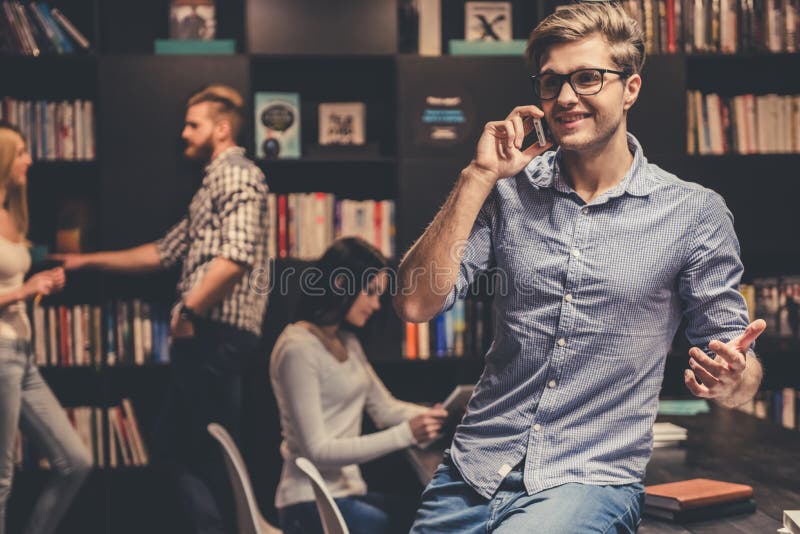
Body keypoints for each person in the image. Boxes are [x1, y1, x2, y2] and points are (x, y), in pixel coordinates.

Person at [393, 4, 765, 532]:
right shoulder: (508, 192)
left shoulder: (694, 213)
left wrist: (732, 377)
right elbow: (413, 302)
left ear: (630, 88)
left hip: (588, 481)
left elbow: (738, 367)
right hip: (472, 472)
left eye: (588, 78)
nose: (566, 97)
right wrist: (479, 175)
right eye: (552, 82)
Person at [51, 85, 270, 534]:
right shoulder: (213, 184)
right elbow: (162, 252)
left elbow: (236, 256)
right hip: (209, 338)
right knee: (199, 453)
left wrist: (188, 311)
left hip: (215, 337)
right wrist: (86, 261)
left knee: (196, 453)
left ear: (222, 129)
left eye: (194, 124)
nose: (184, 133)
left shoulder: (235, 175)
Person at [270, 237, 448, 534]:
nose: (376, 304)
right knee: (419, 524)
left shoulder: (348, 343)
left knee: (434, 513)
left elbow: (384, 407)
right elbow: (318, 451)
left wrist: (434, 415)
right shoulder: (296, 347)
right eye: (370, 292)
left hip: (347, 494)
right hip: (308, 503)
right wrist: (407, 434)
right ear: (341, 283)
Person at [0, 122, 92, 534]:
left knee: (76, 461)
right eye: (21, 151)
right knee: (2, 477)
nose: (29, 159)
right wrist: (25, 291)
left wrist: (39, 284)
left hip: (22, 354)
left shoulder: (10, 214)